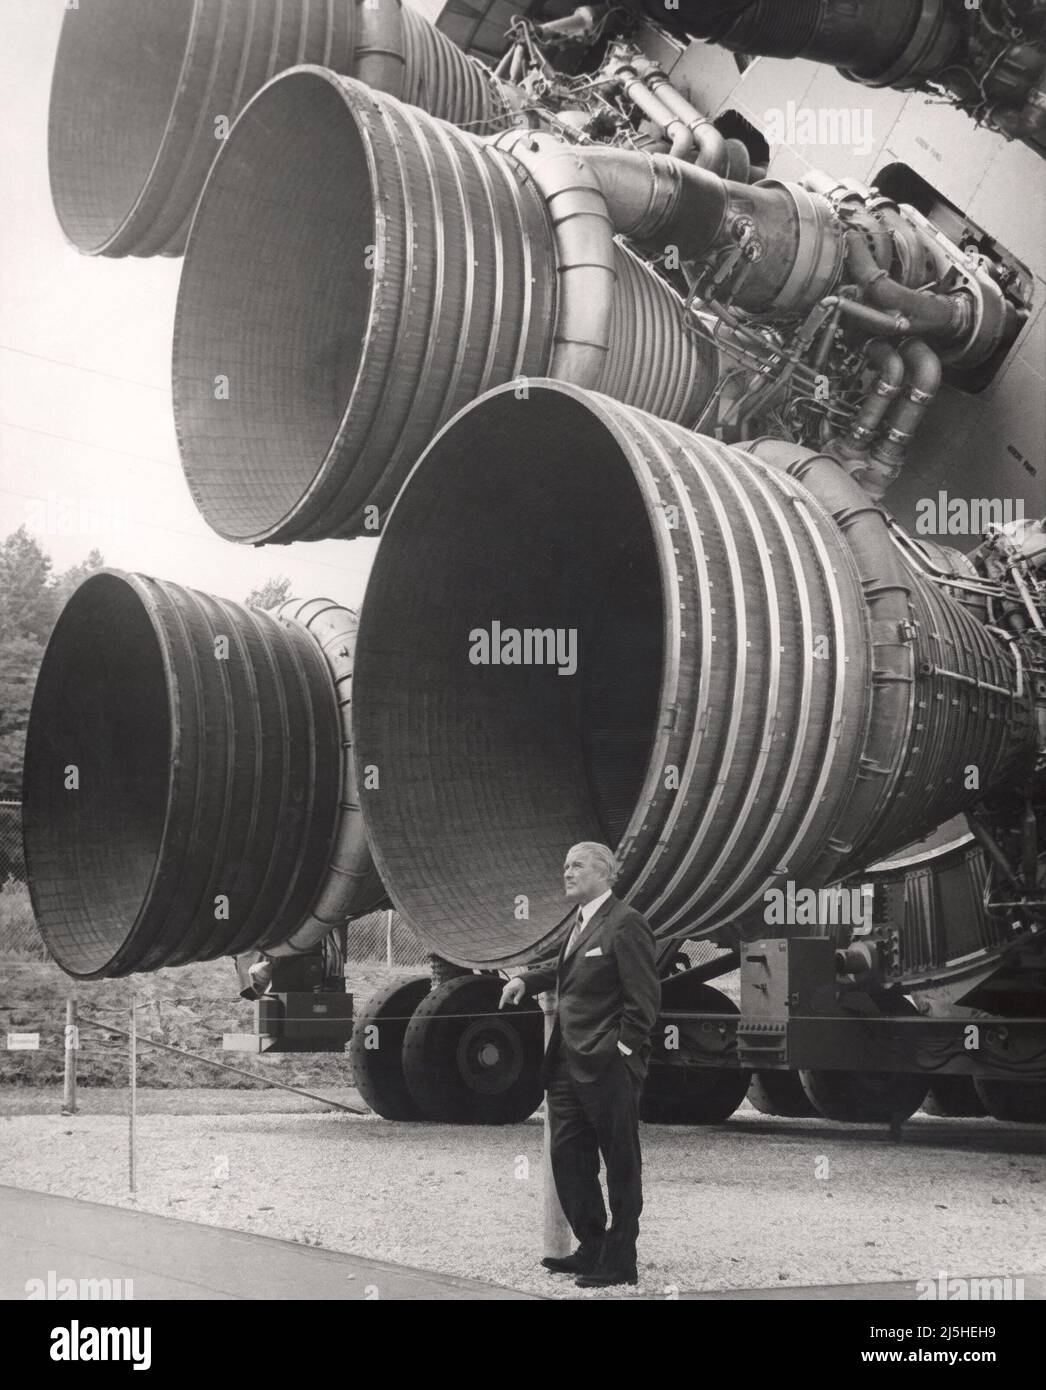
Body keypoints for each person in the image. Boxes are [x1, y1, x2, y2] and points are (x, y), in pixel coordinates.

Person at [499, 841, 660, 1288]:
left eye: (577, 866)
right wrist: (524, 978)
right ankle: (591, 1248)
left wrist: (622, 1052)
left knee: (621, 1160)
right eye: (565, 865)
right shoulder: (583, 921)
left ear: (605, 873)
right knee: (568, 1156)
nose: (567, 873)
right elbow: (566, 967)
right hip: (568, 1064)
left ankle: (620, 1258)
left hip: (608, 1065)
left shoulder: (626, 924)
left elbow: (644, 1003)